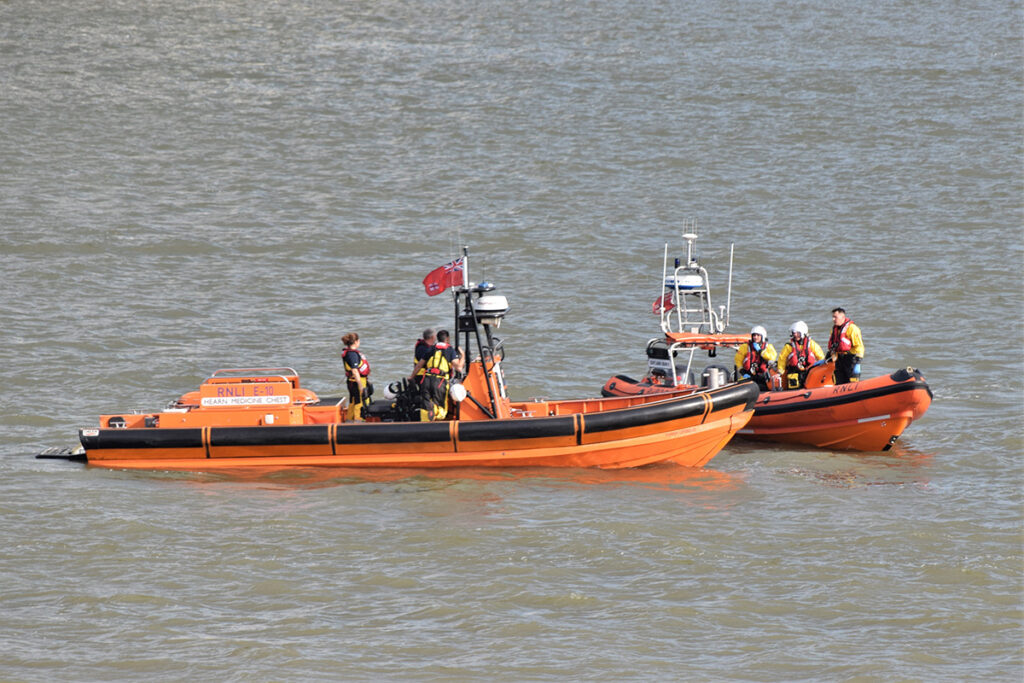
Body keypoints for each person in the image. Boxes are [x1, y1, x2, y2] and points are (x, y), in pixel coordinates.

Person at [410, 329, 464, 421]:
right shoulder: (450, 350)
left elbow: (419, 365)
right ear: (447, 339)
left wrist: (411, 377)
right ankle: (434, 410)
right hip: (440, 381)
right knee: (442, 412)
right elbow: (459, 367)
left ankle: (424, 426)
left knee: (424, 409)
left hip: (426, 380)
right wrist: (462, 355)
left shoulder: (430, 349)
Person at [778, 320, 826, 389]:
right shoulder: (789, 346)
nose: (795, 335)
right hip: (794, 373)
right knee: (793, 386)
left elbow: (820, 356)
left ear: (803, 333)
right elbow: (782, 359)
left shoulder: (811, 344)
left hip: (808, 372)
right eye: (794, 333)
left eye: (798, 333)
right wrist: (780, 371)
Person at [734, 325, 779, 391]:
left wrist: (761, 351)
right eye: (754, 335)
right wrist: (743, 372)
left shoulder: (768, 347)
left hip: (763, 377)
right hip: (749, 375)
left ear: (762, 336)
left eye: (758, 335)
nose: (755, 337)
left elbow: (772, 357)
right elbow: (738, 360)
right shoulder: (745, 347)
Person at [827, 307, 864, 384]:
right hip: (839, 359)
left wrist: (858, 359)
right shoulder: (834, 330)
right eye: (833, 317)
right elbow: (834, 346)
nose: (833, 319)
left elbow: (859, 345)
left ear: (843, 317)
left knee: (852, 381)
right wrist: (831, 356)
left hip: (851, 358)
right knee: (839, 381)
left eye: (835, 317)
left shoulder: (852, 328)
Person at [341, 332, 371, 421]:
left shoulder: (351, 353)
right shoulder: (352, 354)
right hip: (356, 382)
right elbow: (354, 370)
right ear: (356, 342)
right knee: (359, 402)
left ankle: (349, 420)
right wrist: (360, 386)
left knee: (353, 401)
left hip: (353, 381)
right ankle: (359, 421)